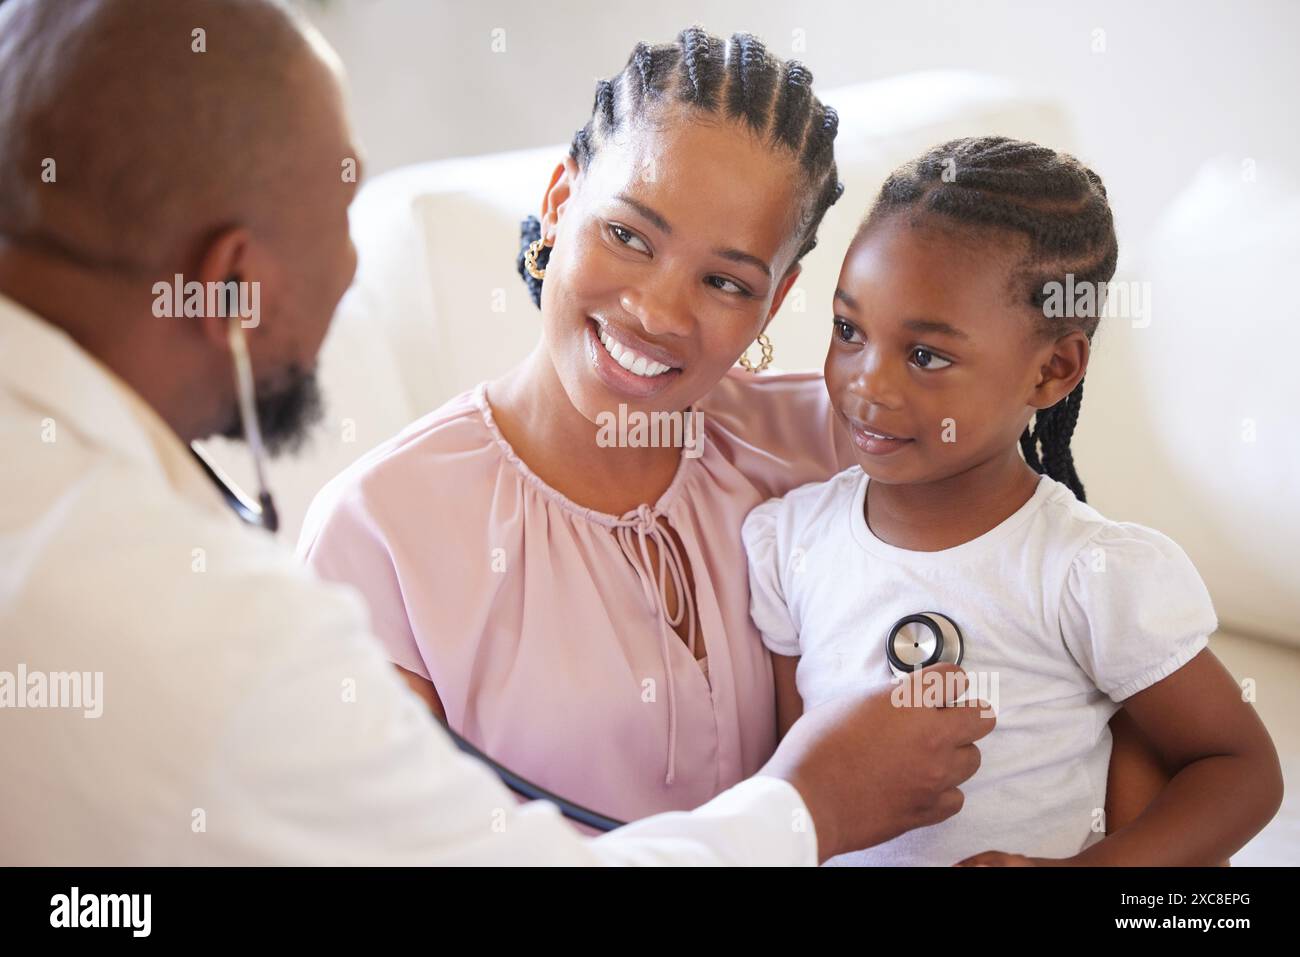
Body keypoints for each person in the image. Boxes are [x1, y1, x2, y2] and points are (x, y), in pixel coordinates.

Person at [0, 0, 991, 865]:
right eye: (629, 233)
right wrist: (815, 804)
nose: (656, 311)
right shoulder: (338, 558)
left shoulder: (839, 451)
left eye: (726, 280)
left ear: (775, 295)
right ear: (560, 204)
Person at [742, 137, 1284, 865]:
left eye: (926, 355)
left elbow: (1240, 769)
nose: (867, 383)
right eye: (848, 330)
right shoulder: (789, 542)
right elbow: (788, 789)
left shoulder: (1087, 571)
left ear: (1052, 369)